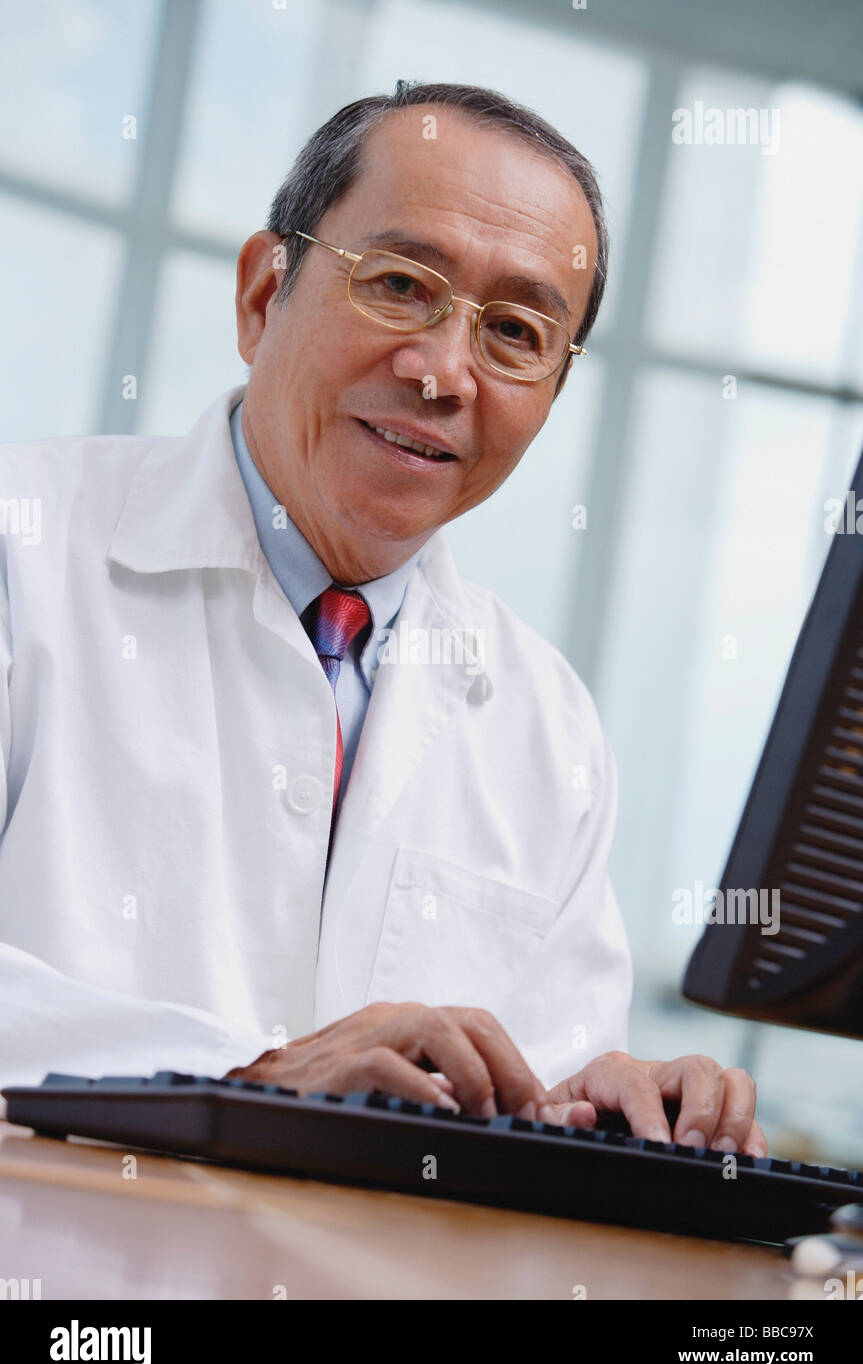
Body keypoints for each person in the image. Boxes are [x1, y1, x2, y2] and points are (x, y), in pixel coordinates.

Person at [0, 80, 765, 1155]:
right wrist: (243, 1080)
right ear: (264, 294)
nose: (444, 373)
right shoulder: (22, 550)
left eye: (513, 331)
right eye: (400, 286)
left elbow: (522, 1097)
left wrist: (603, 1107)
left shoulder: (545, 721)